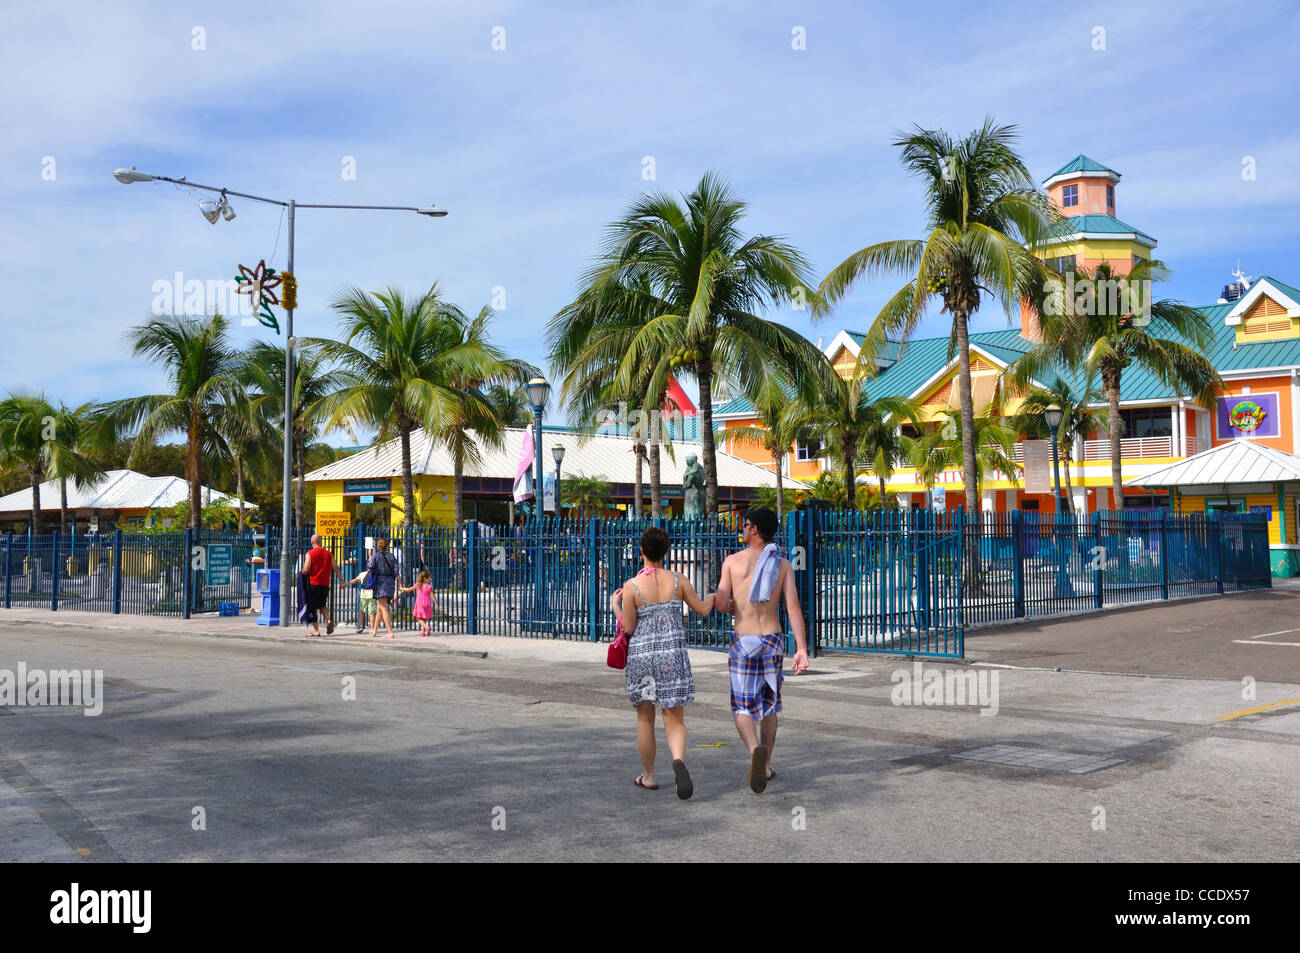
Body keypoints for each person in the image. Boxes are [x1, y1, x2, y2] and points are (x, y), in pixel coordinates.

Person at [611, 526, 716, 800]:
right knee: (674, 716)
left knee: (645, 718)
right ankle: (678, 760)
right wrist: (714, 598)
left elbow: (629, 627)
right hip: (672, 654)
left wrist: (616, 607)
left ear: (642, 551)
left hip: (643, 657)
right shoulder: (679, 581)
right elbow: (703, 610)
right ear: (665, 552)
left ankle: (649, 775)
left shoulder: (632, 586)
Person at [714, 507, 808, 794]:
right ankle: (764, 764)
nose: (742, 529)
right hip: (771, 641)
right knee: (769, 705)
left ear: (754, 529)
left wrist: (731, 604)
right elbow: (792, 607)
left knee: (742, 707)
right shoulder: (782, 564)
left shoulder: (732, 561)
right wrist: (801, 648)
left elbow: (720, 603)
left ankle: (755, 749)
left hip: (743, 642)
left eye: (745, 525)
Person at [300, 534, 343, 637]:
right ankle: (328, 620)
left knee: (313, 608)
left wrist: (301, 573)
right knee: (323, 605)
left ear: (312, 542)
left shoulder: (310, 554)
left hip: (313, 583)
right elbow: (336, 567)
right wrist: (341, 580)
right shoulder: (329, 554)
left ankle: (316, 630)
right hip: (324, 584)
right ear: (321, 542)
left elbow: (306, 569)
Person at [361, 538, 399, 638]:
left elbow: (370, 566)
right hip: (390, 582)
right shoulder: (391, 556)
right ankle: (374, 630)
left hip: (380, 583)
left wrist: (370, 559)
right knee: (379, 608)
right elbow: (396, 571)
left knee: (383, 608)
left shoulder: (376, 556)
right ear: (387, 545)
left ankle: (390, 632)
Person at [341, 546, 376, 632]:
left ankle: (361, 626)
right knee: (371, 612)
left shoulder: (363, 574)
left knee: (361, 610)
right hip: (372, 594)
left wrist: (346, 584)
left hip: (364, 594)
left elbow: (354, 580)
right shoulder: (375, 575)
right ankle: (372, 628)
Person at [400, 570, 438, 637]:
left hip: (420, 603)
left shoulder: (418, 585)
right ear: (425, 578)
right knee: (424, 618)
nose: (429, 579)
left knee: (419, 618)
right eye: (429, 578)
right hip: (427, 603)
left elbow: (409, 589)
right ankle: (423, 632)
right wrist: (436, 603)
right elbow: (432, 595)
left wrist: (401, 588)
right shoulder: (429, 586)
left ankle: (426, 627)